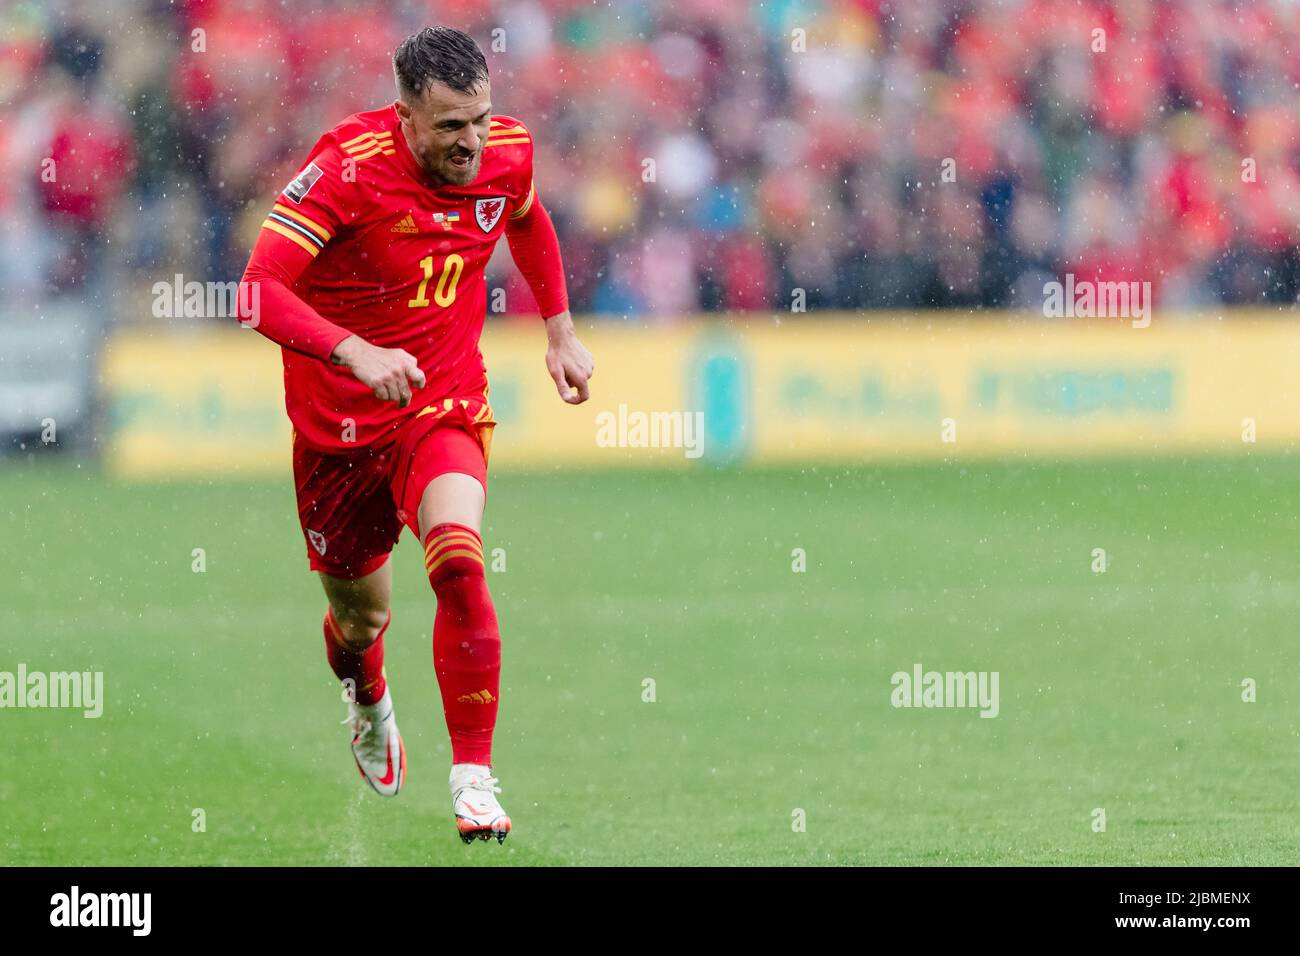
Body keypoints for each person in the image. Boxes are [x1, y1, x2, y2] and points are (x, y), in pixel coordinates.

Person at [238, 26, 594, 844]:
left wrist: (560, 330)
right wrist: (352, 349)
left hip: (443, 400)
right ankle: (367, 696)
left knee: (459, 559)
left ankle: (473, 780)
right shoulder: (346, 170)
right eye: (449, 126)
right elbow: (257, 292)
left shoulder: (506, 150)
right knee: (359, 622)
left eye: (479, 118)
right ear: (404, 116)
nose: (472, 141)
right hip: (337, 425)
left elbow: (527, 218)